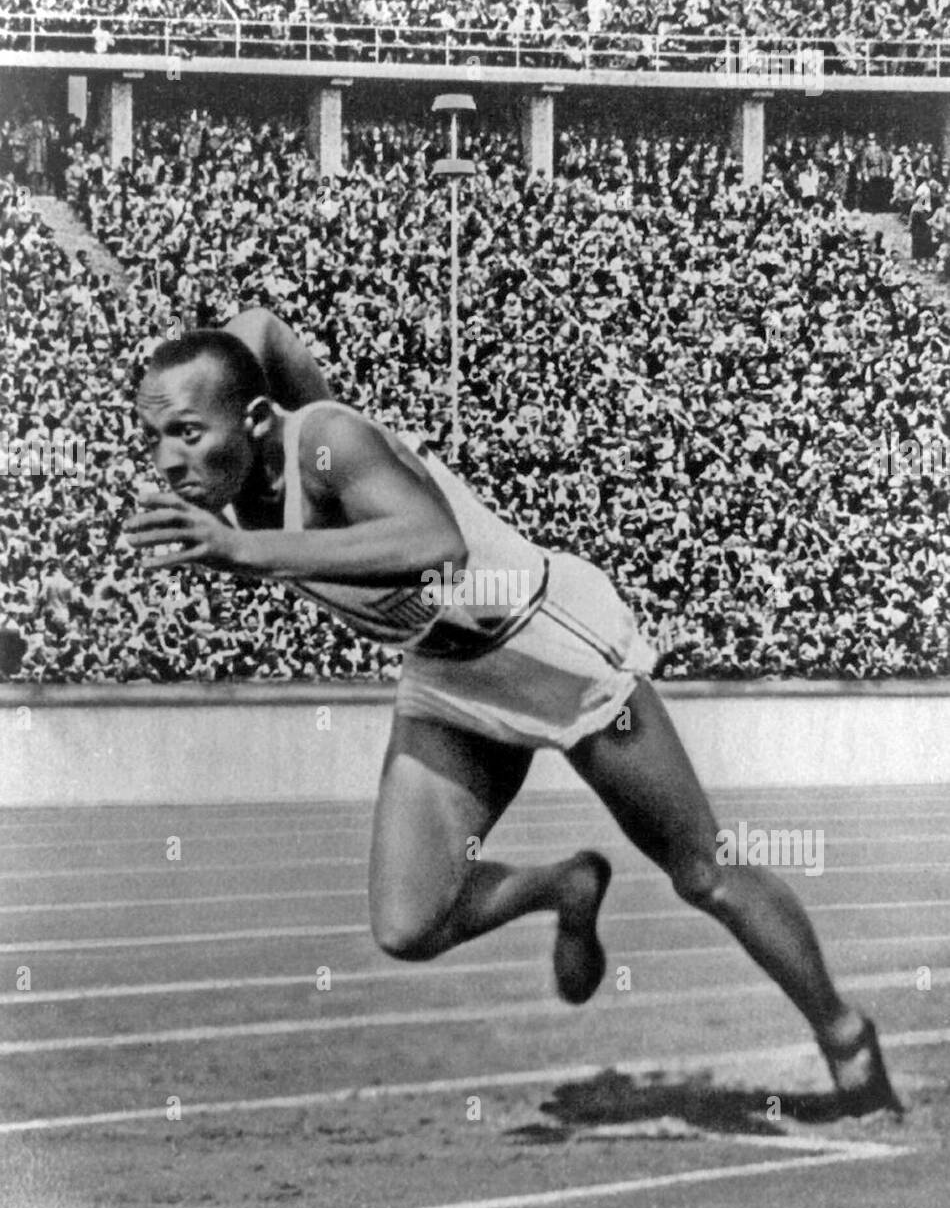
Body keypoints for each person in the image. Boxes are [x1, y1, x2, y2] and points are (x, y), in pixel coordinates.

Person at [123, 308, 902, 1117]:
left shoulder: (327, 446)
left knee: (705, 873)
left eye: (186, 432)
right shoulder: (248, 465)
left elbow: (436, 542)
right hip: (449, 681)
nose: (169, 461)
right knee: (408, 922)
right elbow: (257, 329)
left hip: (550, 650)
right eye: (157, 439)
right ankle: (563, 887)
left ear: (251, 418)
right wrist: (219, 402)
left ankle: (844, 1035)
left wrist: (250, 546)